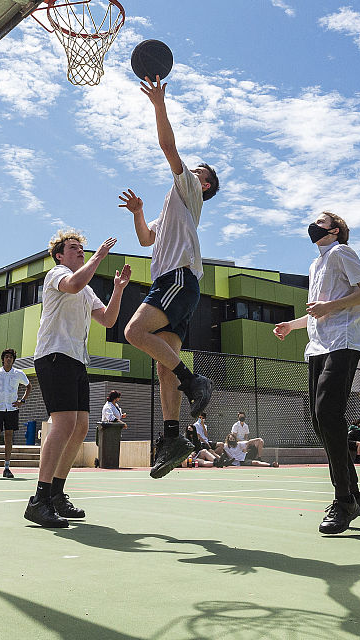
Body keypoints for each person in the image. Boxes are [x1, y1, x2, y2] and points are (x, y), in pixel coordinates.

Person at [119, 76, 219, 480]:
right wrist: (139, 213)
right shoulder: (173, 207)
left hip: (176, 281)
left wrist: (159, 103)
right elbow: (146, 239)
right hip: (175, 283)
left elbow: (167, 147)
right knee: (163, 366)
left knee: (132, 332)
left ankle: (195, 382)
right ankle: (174, 436)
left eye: (197, 171)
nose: (190, 170)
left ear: (204, 183)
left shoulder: (190, 189)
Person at [274, 211, 360, 534]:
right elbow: (317, 310)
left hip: (343, 342)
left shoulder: (341, 252)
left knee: (327, 413)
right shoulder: (315, 265)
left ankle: (344, 498)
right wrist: (293, 325)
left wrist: (329, 308)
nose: (313, 225)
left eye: (320, 222)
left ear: (334, 230)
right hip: (319, 346)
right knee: (320, 420)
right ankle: (355, 495)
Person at [24, 230, 131, 529]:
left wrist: (119, 289)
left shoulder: (87, 288)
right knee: (64, 423)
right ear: (59, 255)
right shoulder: (57, 274)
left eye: (83, 248)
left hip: (75, 359)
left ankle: (56, 495)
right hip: (53, 355)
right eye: (73, 248)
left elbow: (108, 319)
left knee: (80, 426)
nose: (80, 251)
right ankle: (38, 500)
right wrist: (98, 257)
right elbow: (73, 284)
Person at [0, 349, 32, 479]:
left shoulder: (18, 373)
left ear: (13, 360)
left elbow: (29, 386)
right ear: (3, 359)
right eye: (6, 357)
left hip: (12, 409)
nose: (8, 359)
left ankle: (7, 468)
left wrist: (22, 400)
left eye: (11, 357)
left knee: (9, 437)